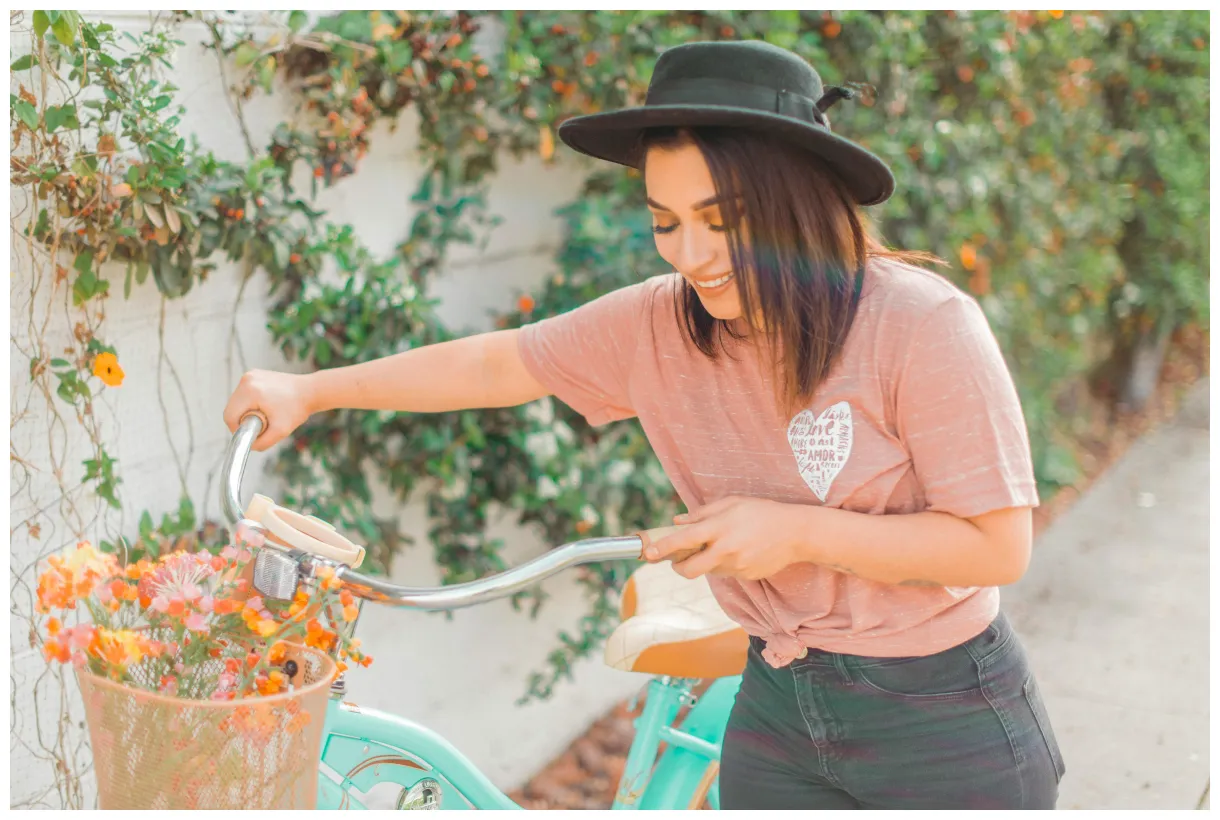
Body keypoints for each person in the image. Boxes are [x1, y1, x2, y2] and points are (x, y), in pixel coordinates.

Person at [224, 39, 1065, 810]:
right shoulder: (661, 325)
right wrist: (311, 391)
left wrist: (796, 533)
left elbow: (996, 546)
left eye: (722, 220)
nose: (689, 255)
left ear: (797, 204)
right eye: (666, 223)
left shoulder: (919, 325)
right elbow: (499, 364)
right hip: (777, 701)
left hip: (940, 716)